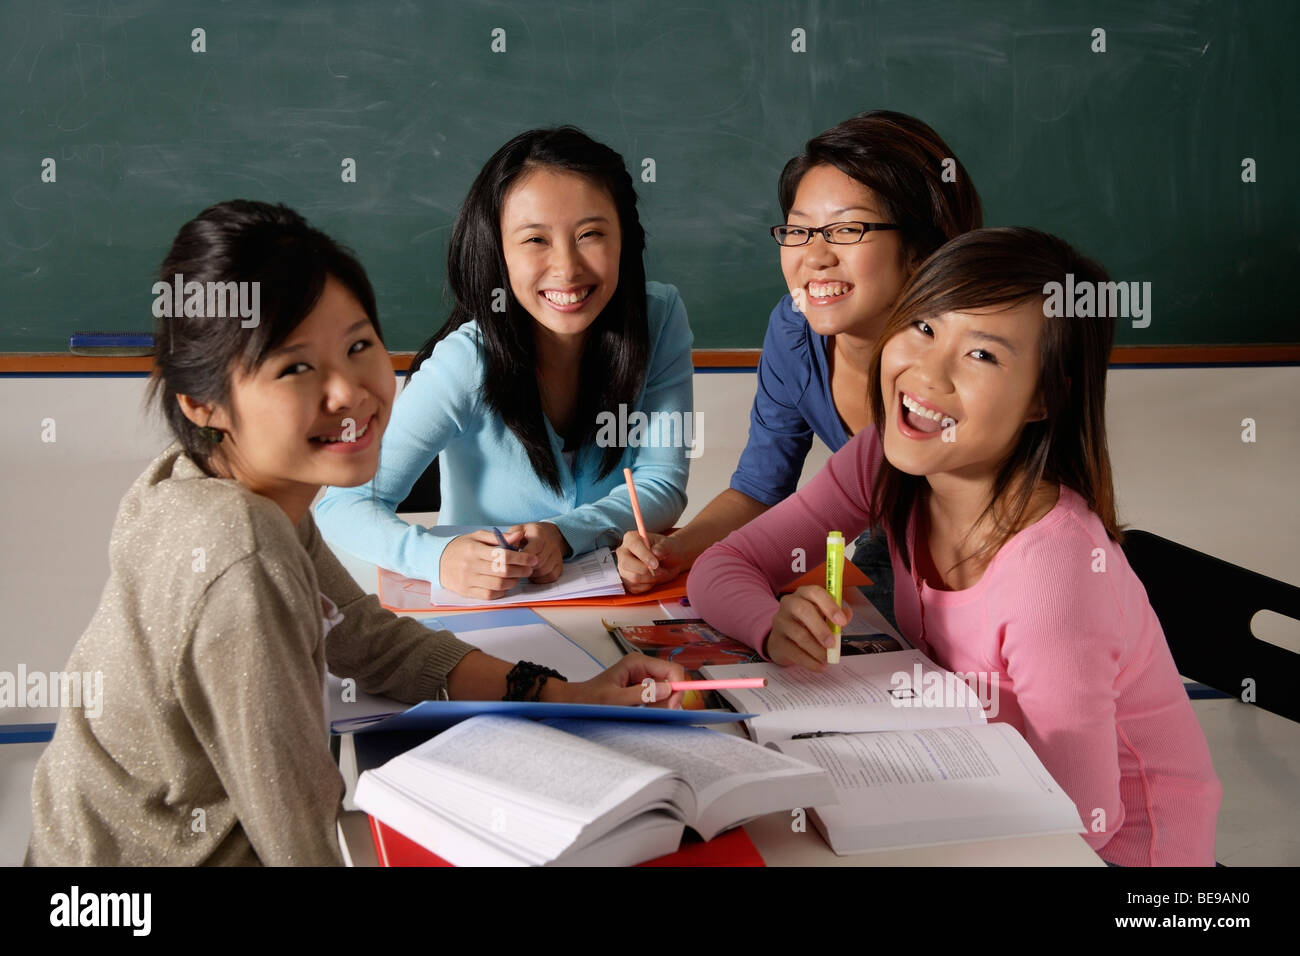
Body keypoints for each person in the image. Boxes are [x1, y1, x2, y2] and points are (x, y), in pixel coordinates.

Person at [26, 200, 685, 866]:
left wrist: (564, 693)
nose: (349, 392)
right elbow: (303, 843)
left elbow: (367, 640)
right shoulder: (240, 556)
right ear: (204, 403)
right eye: (294, 368)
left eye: (358, 346)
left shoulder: (220, 487)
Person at [686, 227, 1222, 866]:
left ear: (1044, 398)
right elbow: (721, 567)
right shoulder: (883, 463)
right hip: (973, 789)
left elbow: (1079, 823)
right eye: (922, 326)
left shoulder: (1057, 578)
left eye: (984, 356)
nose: (928, 372)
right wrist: (770, 625)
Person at [616, 110, 981, 630]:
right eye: (799, 231)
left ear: (920, 250)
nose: (814, 256)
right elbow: (760, 490)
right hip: (895, 543)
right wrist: (676, 548)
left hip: (985, 557)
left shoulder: (971, 357)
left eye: (847, 229)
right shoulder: (794, 331)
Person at [315, 127, 694, 599]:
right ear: (499, 252)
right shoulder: (466, 361)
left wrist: (566, 534)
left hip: (614, 606)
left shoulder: (658, 320)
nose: (567, 268)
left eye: (591, 234)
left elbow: (663, 482)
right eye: (535, 239)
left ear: (626, 239)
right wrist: (438, 557)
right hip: (490, 618)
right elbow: (342, 504)